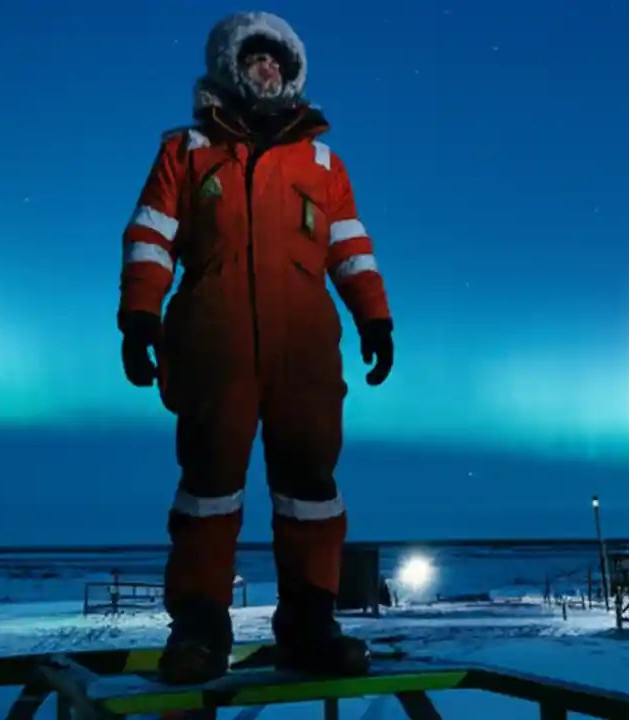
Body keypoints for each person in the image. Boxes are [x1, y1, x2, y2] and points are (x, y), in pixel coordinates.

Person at [115, 10, 394, 685]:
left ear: (293, 72)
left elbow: (350, 249)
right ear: (229, 68)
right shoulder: (186, 151)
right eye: (254, 59)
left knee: (312, 491)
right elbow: (150, 237)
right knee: (209, 490)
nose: (267, 69)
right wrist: (140, 317)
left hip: (305, 356)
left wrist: (375, 320)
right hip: (214, 352)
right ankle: (200, 629)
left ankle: (310, 625)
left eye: (278, 61)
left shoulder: (324, 163)